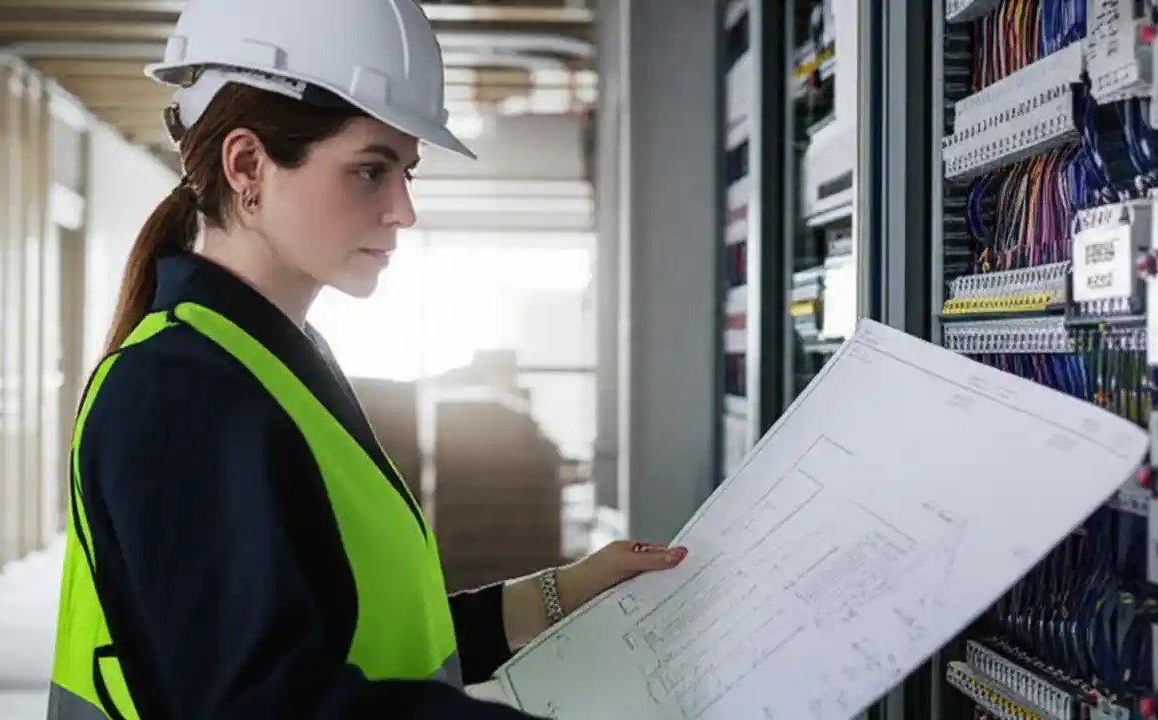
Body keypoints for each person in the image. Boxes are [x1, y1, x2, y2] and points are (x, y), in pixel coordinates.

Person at [47, 1, 688, 718]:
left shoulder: (270, 363)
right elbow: (266, 707)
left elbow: (359, 637)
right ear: (247, 165)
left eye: (407, 171)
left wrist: (557, 594)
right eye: (369, 170)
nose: (403, 210)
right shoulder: (180, 395)